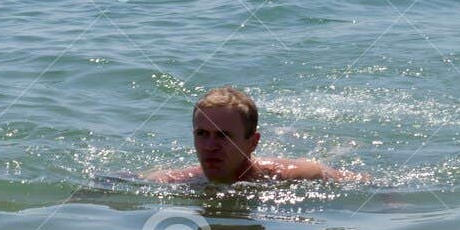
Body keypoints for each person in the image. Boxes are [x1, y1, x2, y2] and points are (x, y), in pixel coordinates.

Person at [146, 86, 361, 184]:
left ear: (252, 142)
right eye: (202, 133)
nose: (210, 146)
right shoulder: (178, 181)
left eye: (223, 136)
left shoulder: (296, 175)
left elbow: (367, 184)